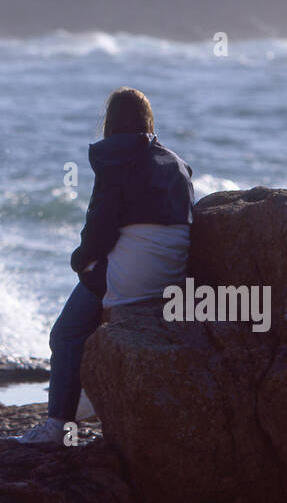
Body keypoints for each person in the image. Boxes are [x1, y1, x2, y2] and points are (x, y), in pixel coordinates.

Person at [17, 87, 194, 446]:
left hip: (132, 278)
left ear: (111, 123)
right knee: (94, 304)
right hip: (171, 276)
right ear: (149, 122)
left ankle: (58, 426)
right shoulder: (177, 163)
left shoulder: (116, 158)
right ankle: (85, 400)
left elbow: (100, 228)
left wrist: (80, 261)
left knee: (65, 334)